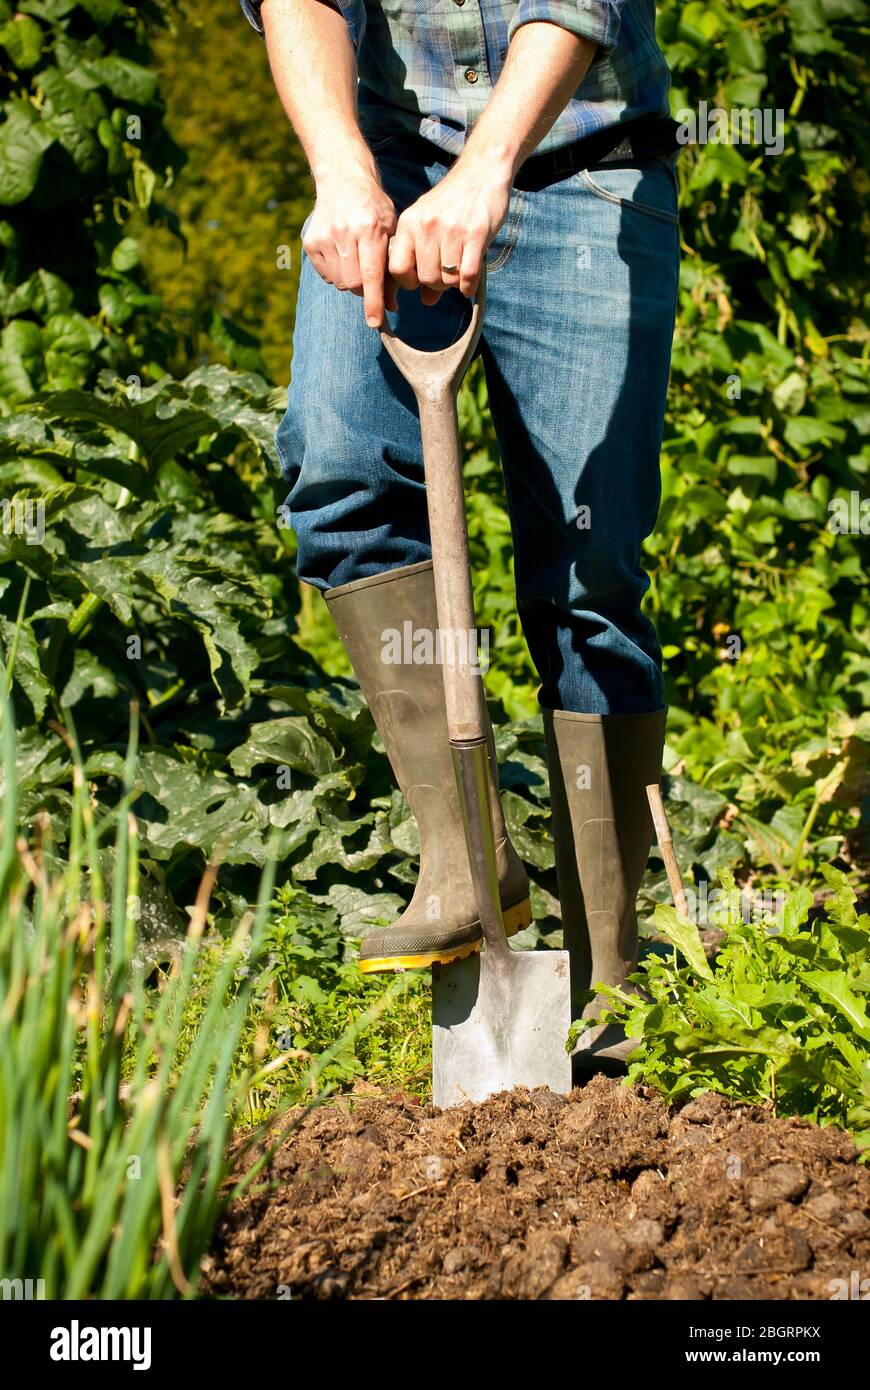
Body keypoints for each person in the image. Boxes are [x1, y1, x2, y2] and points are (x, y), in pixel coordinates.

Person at [242, 0, 680, 1065]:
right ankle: (466, 858)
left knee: (588, 578)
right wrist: (343, 170)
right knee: (340, 470)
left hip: (588, 167)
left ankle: (612, 991)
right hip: (387, 164)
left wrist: (485, 170)